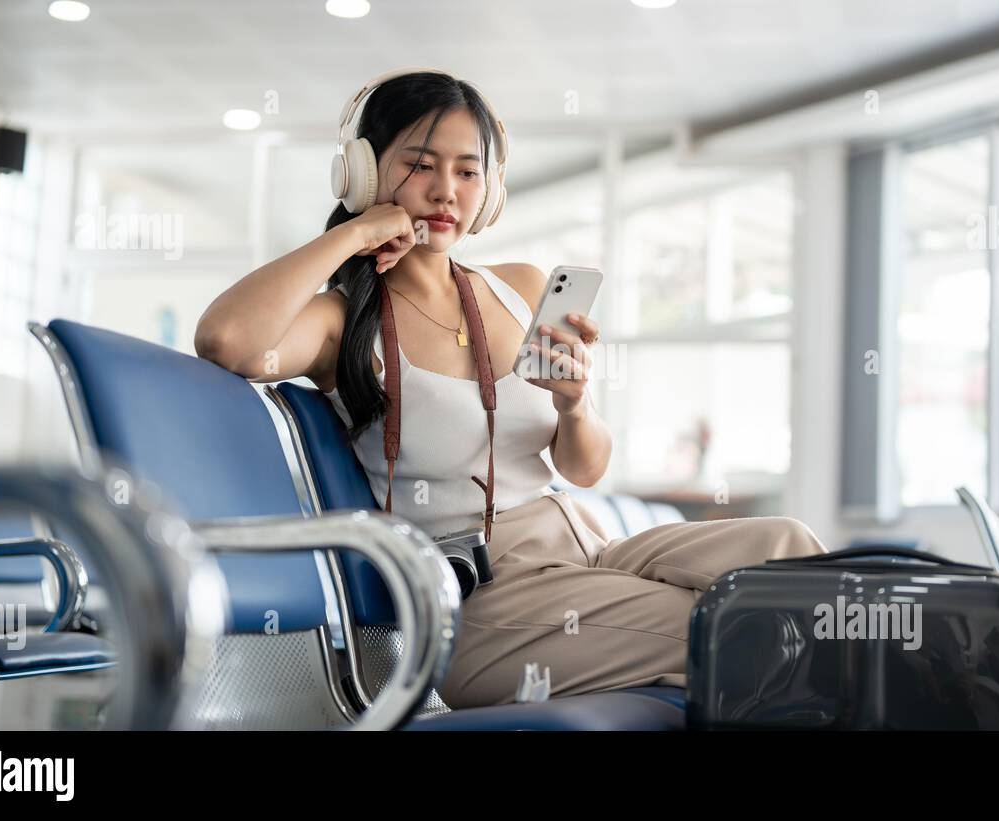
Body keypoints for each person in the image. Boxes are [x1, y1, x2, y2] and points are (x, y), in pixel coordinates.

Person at [195, 68, 826, 709]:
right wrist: (354, 233)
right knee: (733, 622)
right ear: (363, 172)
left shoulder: (519, 287)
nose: (445, 191)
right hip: (474, 600)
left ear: (489, 190)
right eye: (420, 165)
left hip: (585, 550)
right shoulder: (342, 321)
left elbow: (585, 467)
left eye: (468, 172)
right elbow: (227, 340)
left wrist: (574, 403)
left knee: (792, 550)